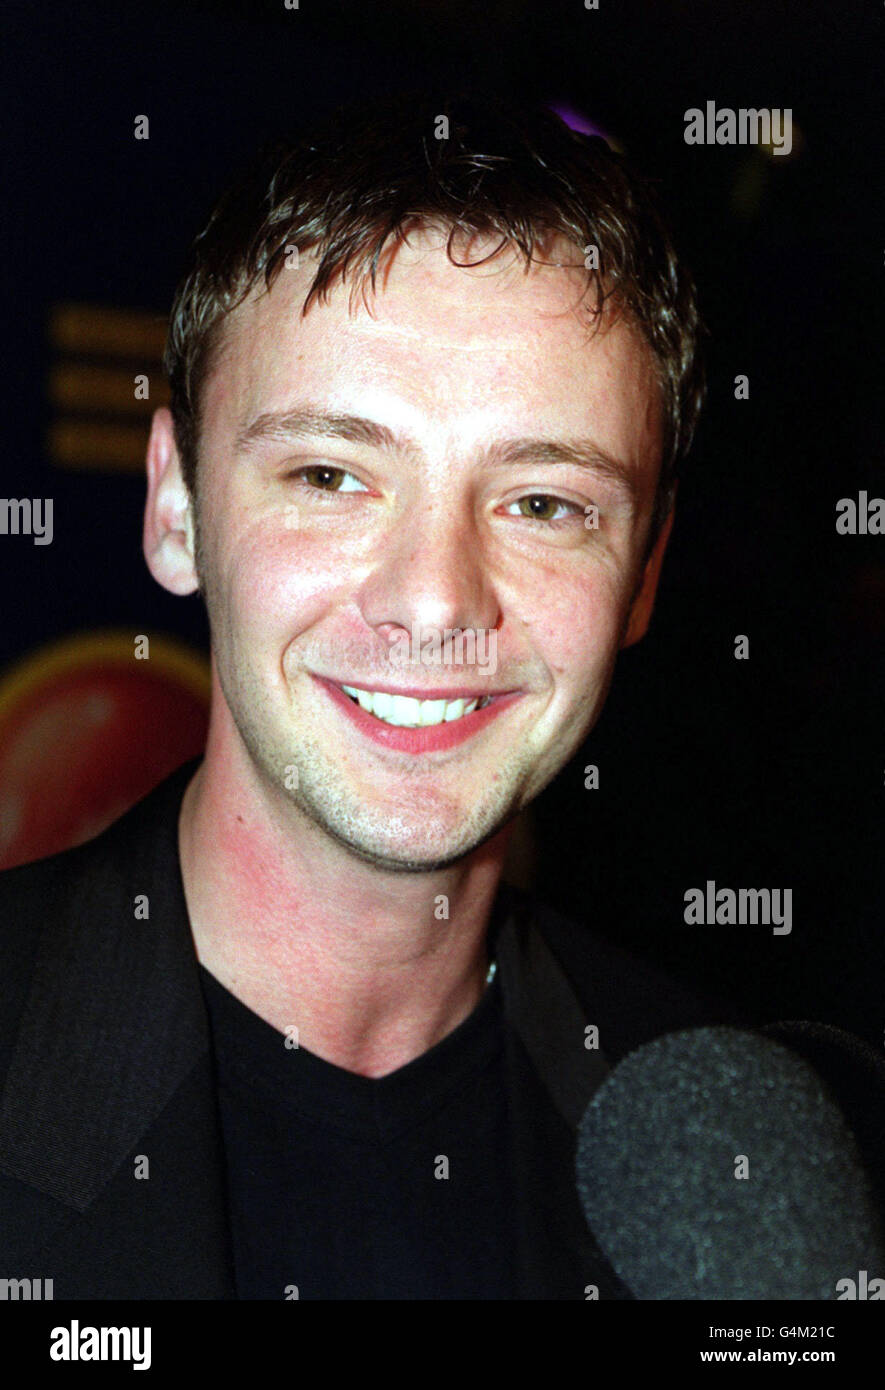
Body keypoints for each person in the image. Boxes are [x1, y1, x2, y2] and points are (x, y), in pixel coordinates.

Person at [0, 92, 738, 1300]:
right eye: (333, 474)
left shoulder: (752, 1167)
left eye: (545, 502)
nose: (437, 600)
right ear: (176, 509)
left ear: (644, 570)